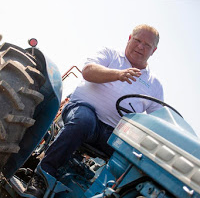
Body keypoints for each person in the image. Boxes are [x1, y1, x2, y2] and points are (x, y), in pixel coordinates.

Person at [26, 24, 164, 197]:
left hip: (114, 135)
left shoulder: (154, 85)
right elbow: (88, 71)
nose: (140, 46)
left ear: (154, 50)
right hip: (83, 111)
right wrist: (118, 75)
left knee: (136, 162)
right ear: (129, 38)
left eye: (147, 45)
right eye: (137, 40)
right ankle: (42, 175)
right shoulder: (110, 55)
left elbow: (159, 119)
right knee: (83, 121)